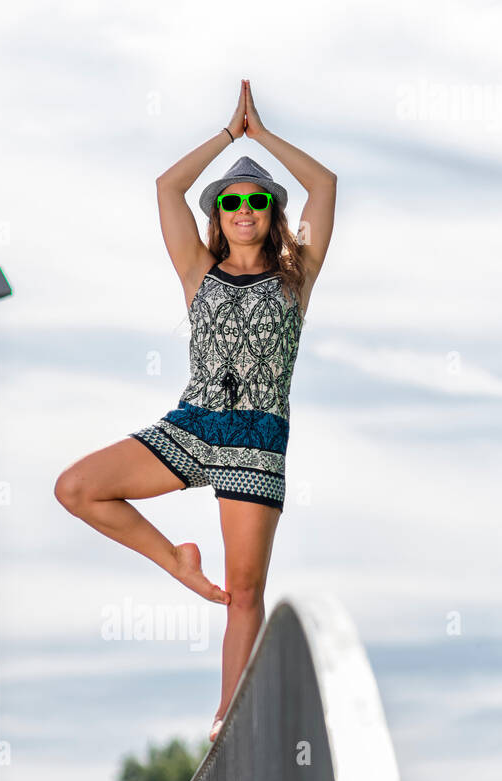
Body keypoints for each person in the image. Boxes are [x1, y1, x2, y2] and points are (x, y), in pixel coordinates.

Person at [54, 79, 336, 743]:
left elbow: (323, 187)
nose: (243, 208)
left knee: (243, 592)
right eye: (232, 200)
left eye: (256, 200)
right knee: (76, 488)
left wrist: (259, 136)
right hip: (192, 426)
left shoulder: (296, 277)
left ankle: (227, 719)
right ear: (220, 213)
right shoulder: (195, 271)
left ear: (270, 212)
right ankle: (176, 562)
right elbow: (164, 187)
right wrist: (224, 137)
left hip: (256, 441)